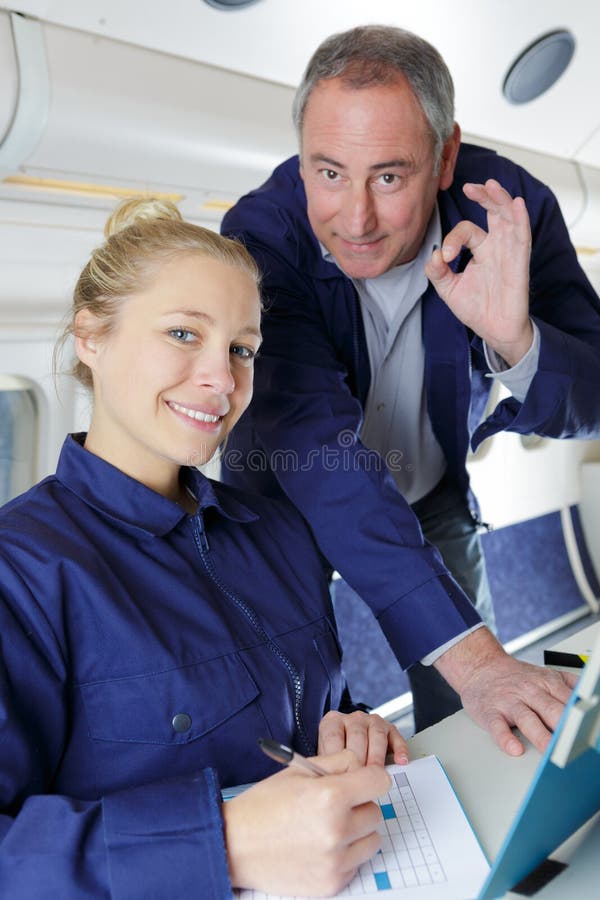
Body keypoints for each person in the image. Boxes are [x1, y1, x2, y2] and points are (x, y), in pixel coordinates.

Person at [0, 197, 410, 899]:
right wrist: (221, 845)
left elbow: (318, 704)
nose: (223, 380)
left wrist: (352, 729)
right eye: (185, 334)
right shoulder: (23, 572)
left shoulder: (280, 535)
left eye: (241, 349)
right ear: (91, 336)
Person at [221, 25, 600, 733]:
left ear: (446, 154)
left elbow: (596, 397)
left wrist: (515, 340)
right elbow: (316, 451)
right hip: (289, 505)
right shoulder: (263, 236)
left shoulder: (506, 209)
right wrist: (474, 657)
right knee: (295, 721)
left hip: (432, 496)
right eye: (328, 172)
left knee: (472, 714)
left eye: (389, 176)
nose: (355, 219)